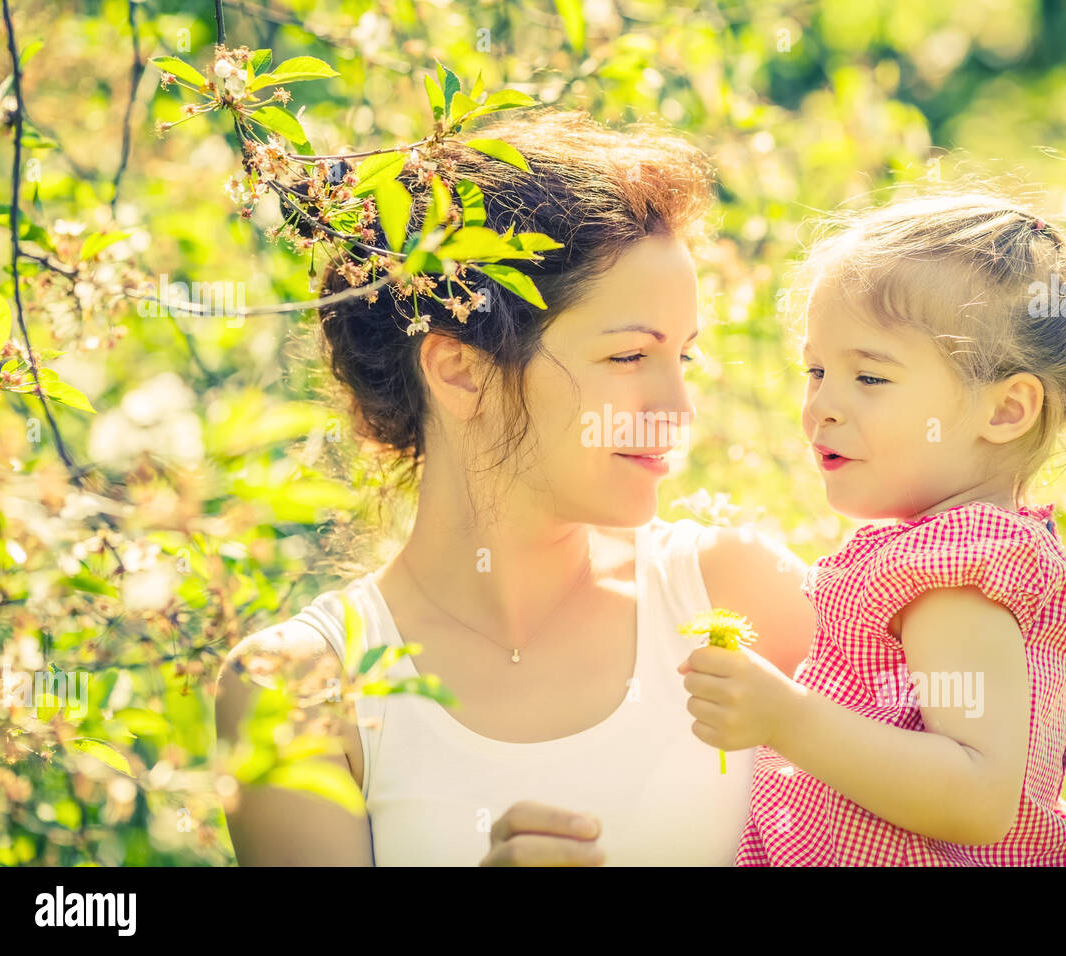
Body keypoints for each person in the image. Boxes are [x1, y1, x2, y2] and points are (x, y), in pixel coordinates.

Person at [216, 110, 817, 866]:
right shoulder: (296, 690)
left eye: (684, 359)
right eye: (630, 357)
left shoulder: (735, 600)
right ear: (460, 370)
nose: (678, 411)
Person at [678, 186, 1066, 865]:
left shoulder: (954, 574)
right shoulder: (923, 552)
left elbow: (975, 796)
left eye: (870, 379)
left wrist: (785, 717)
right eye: (816, 370)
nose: (821, 405)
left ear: (1004, 411)